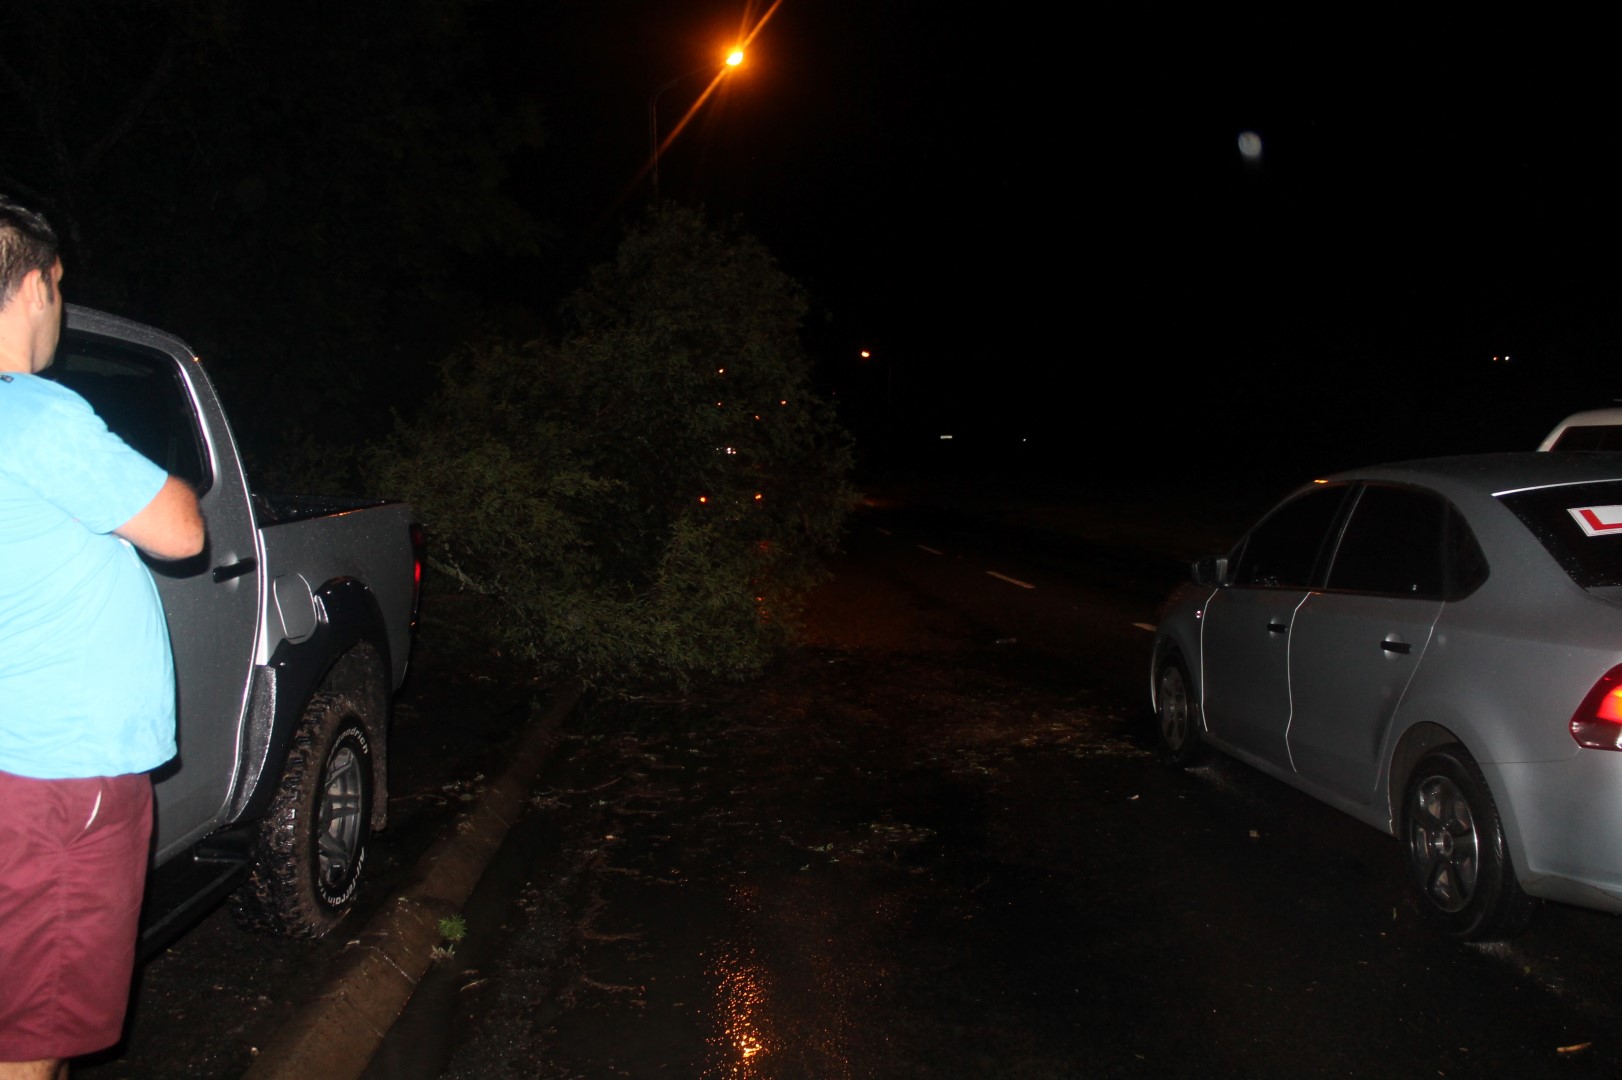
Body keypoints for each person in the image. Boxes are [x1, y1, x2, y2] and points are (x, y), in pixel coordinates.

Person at [0, 197, 206, 1080]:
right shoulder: (39, 417)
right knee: (31, 1038)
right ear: (43, 284)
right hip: (60, 784)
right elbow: (183, 528)